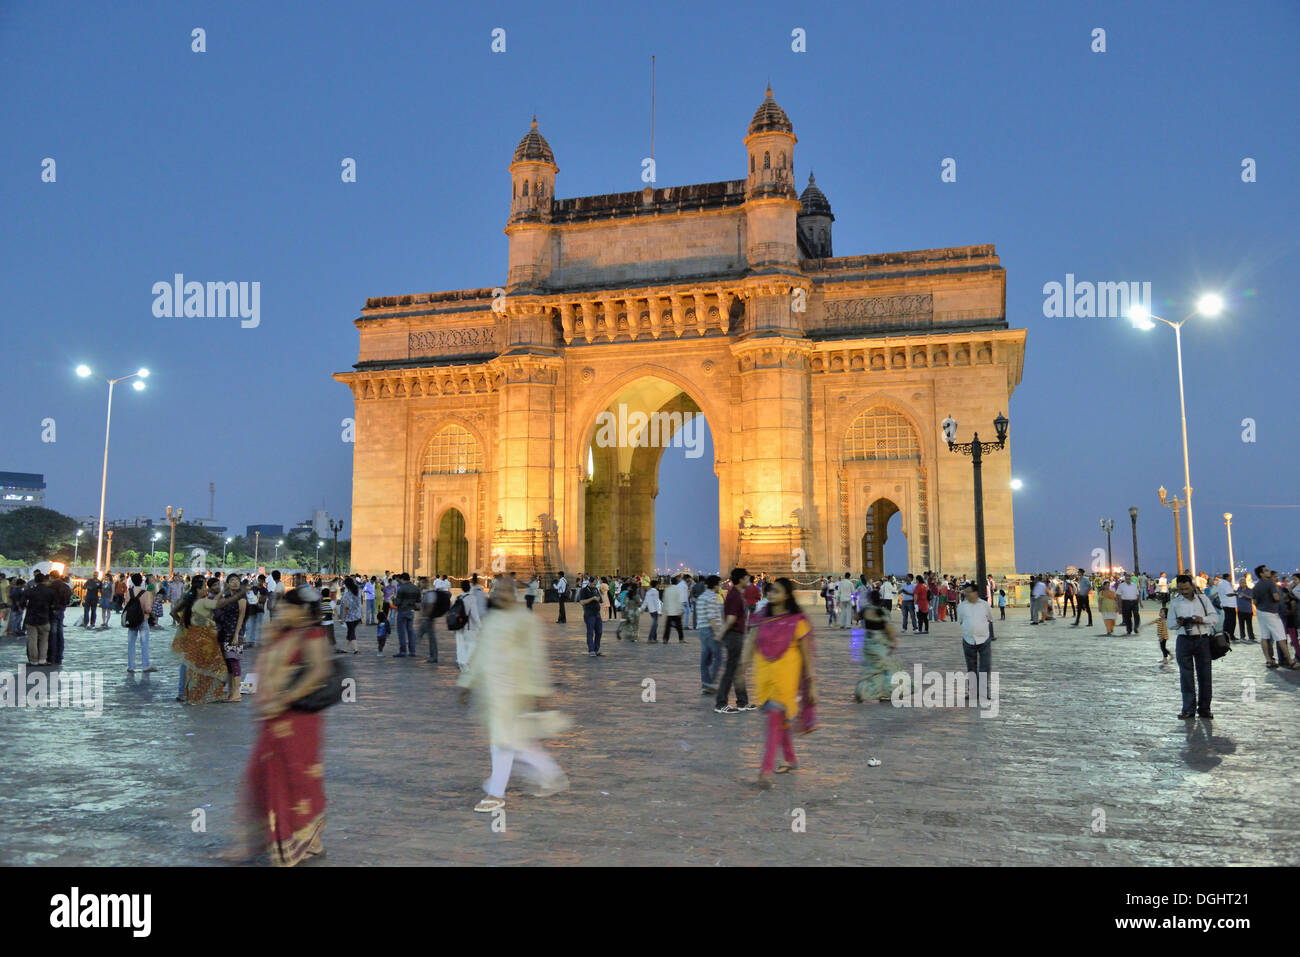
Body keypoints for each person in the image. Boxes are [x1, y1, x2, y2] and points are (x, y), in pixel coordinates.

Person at [238, 585, 332, 866]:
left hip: (297, 719)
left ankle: (301, 839)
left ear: (302, 610)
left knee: (295, 778)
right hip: (273, 718)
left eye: (287, 607)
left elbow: (319, 672)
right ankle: (292, 840)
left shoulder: (312, 634)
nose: (280, 611)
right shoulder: (282, 633)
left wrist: (286, 698)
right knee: (263, 775)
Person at [457, 577, 569, 813]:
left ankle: (496, 793)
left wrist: (539, 690)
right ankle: (551, 776)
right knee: (514, 740)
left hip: (515, 690)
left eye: (506, 590)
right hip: (492, 692)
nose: (501, 594)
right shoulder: (493, 619)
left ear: (515, 593)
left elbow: (536, 656)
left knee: (503, 742)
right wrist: (466, 683)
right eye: (498, 590)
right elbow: (480, 653)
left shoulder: (525, 621)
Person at [745, 578, 817, 788]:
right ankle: (790, 759)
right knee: (781, 719)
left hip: (786, 679)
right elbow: (751, 641)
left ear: (786, 595)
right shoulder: (761, 618)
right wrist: (742, 666)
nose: (771, 595)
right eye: (770, 591)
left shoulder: (797, 621)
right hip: (765, 678)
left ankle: (765, 771)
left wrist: (811, 684)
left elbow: (807, 655)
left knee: (774, 722)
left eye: (776, 591)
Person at [172, 577, 231, 705]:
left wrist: (184, 627)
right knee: (206, 667)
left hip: (195, 639)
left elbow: (173, 612)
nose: (206, 589)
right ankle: (196, 694)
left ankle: (187, 693)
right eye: (204, 586)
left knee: (191, 666)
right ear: (198, 588)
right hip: (202, 641)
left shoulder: (188, 599)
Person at [1169, 575, 1216, 719]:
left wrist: (1201, 619)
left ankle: (1204, 708)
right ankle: (1188, 709)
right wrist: (1179, 622)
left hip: (1202, 640)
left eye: (1187, 588)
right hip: (1184, 640)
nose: (1184, 591)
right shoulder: (1175, 603)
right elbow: (1170, 624)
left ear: (1192, 586)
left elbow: (1215, 618)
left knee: (1205, 676)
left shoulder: (1203, 600)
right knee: (1186, 676)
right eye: (1181, 589)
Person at [714, 568, 755, 715]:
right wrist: (721, 633)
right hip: (734, 636)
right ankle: (721, 703)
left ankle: (742, 702)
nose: (748, 581)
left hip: (736, 635)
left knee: (738, 670)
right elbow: (731, 618)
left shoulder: (736, 594)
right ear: (742, 579)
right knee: (730, 671)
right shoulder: (735, 596)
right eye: (747, 578)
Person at [1252, 565, 1298, 669]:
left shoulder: (1257, 586)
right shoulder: (1270, 583)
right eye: (1266, 570)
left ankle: (1268, 660)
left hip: (1261, 612)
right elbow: (1276, 598)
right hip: (1271, 613)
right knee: (1281, 637)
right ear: (1261, 574)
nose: (1268, 572)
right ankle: (1290, 661)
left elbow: (1254, 601)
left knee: (1265, 636)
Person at [854, 600, 899, 703]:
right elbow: (888, 628)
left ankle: (860, 691)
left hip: (868, 643)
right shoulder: (881, 612)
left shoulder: (866, 610)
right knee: (886, 669)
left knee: (871, 669)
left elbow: (856, 618)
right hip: (879, 643)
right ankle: (886, 692)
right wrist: (894, 642)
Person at [955, 584, 994, 703]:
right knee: (971, 667)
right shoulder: (961, 606)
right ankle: (973, 692)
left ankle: (983, 692)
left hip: (984, 639)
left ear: (976, 593)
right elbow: (960, 620)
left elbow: (990, 618)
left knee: (984, 667)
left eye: (968, 592)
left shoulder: (984, 605)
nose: (966, 594)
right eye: (965, 592)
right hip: (968, 640)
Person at [212, 573, 248, 700]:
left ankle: (237, 692)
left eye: (237, 580)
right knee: (227, 662)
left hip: (235, 633)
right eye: (232, 580)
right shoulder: (226, 597)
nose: (235, 582)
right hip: (225, 632)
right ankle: (231, 691)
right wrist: (223, 591)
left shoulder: (241, 598)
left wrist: (237, 634)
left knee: (234, 660)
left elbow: (241, 616)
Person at [696, 574, 724, 694]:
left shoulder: (702, 597)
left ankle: (705, 684)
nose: (720, 587)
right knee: (718, 658)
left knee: (705, 660)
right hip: (711, 630)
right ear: (716, 585)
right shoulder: (712, 597)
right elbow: (711, 616)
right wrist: (717, 632)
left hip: (702, 630)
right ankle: (711, 684)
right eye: (719, 584)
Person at [123, 572, 156, 674]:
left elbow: (125, 605)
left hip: (132, 620)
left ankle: (131, 666)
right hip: (143, 620)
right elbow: (147, 609)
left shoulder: (129, 592)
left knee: (131, 644)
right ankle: (145, 665)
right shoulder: (145, 593)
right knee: (144, 643)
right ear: (141, 581)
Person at [23, 572, 55, 666]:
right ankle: (42, 659)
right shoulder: (50, 592)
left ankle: (33, 660)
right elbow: (53, 605)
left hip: (31, 619)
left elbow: (22, 602)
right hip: (44, 618)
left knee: (32, 640)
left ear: (35, 581)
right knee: (44, 640)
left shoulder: (29, 591)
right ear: (45, 580)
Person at [455, 577, 486, 672]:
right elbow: (474, 614)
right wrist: (479, 625)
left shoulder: (458, 597)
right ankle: (465, 661)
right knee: (471, 644)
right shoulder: (471, 598)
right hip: (469, 626)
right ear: (469, 587)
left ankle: (461, 662)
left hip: (459, 625)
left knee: (460, 645)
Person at [46, 571, 72, 665]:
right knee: (60, 633)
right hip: (61, 610)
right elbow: (68, 600)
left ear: (51, 577)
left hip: (52, 611)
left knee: (52, 634)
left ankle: (51, 656)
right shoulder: (65, 586)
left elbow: (48, 599)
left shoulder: (51, 587)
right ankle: (59, 656)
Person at [393, 573, 421, 658]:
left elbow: (397, 602)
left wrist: (393, 599)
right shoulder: (416, 588)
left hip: (402, 611)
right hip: (411, 611)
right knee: (411, 631)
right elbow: (418, 601)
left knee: (401, 632)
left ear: (402, 579)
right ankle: (412, 651)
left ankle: (403, 651)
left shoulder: (402, 589)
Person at [576, 575, 604, 656]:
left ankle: (597, 649)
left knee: (599, 632)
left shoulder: (595, 590)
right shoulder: (584, 590)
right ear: (589, 582)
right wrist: (592, 599)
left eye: (596, 584)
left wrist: (599, 598)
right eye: (594, 584)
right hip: (589, 614)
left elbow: (600, 600)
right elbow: (581, 602)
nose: (595, 586)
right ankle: (591, 650)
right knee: (590, 632)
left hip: (597, 613)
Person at [340, 576, 363, 654]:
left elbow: (345, 608)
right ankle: (345, 649)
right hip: (358, 615)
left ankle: (356, 649)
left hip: (350, 617)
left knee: (351, 632)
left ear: (346, 585)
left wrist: (342, 618)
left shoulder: (346, 595)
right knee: (350, 632)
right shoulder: (359, 591)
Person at [661, 575, 685, 642]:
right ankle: (681, 639)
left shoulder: (667, 589)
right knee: (679, 626)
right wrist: (680, 610)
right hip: (676, 611)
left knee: (667, 627)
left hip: (669, 611)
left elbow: (664, 600)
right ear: (677, 582)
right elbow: (680, 601)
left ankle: (665, 639)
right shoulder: (678, 590)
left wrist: (665, 609)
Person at [641, 578, 662, 643]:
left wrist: (642, 608)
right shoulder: (656, 592)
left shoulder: (648, 592)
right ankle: (650, 638)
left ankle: (654, 638)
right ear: (656, 585)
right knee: (654, 625)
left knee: (655, 624)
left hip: (651, 610)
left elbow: (645, 601)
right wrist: (659, 611)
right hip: (655, 610)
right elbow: (657, 602)